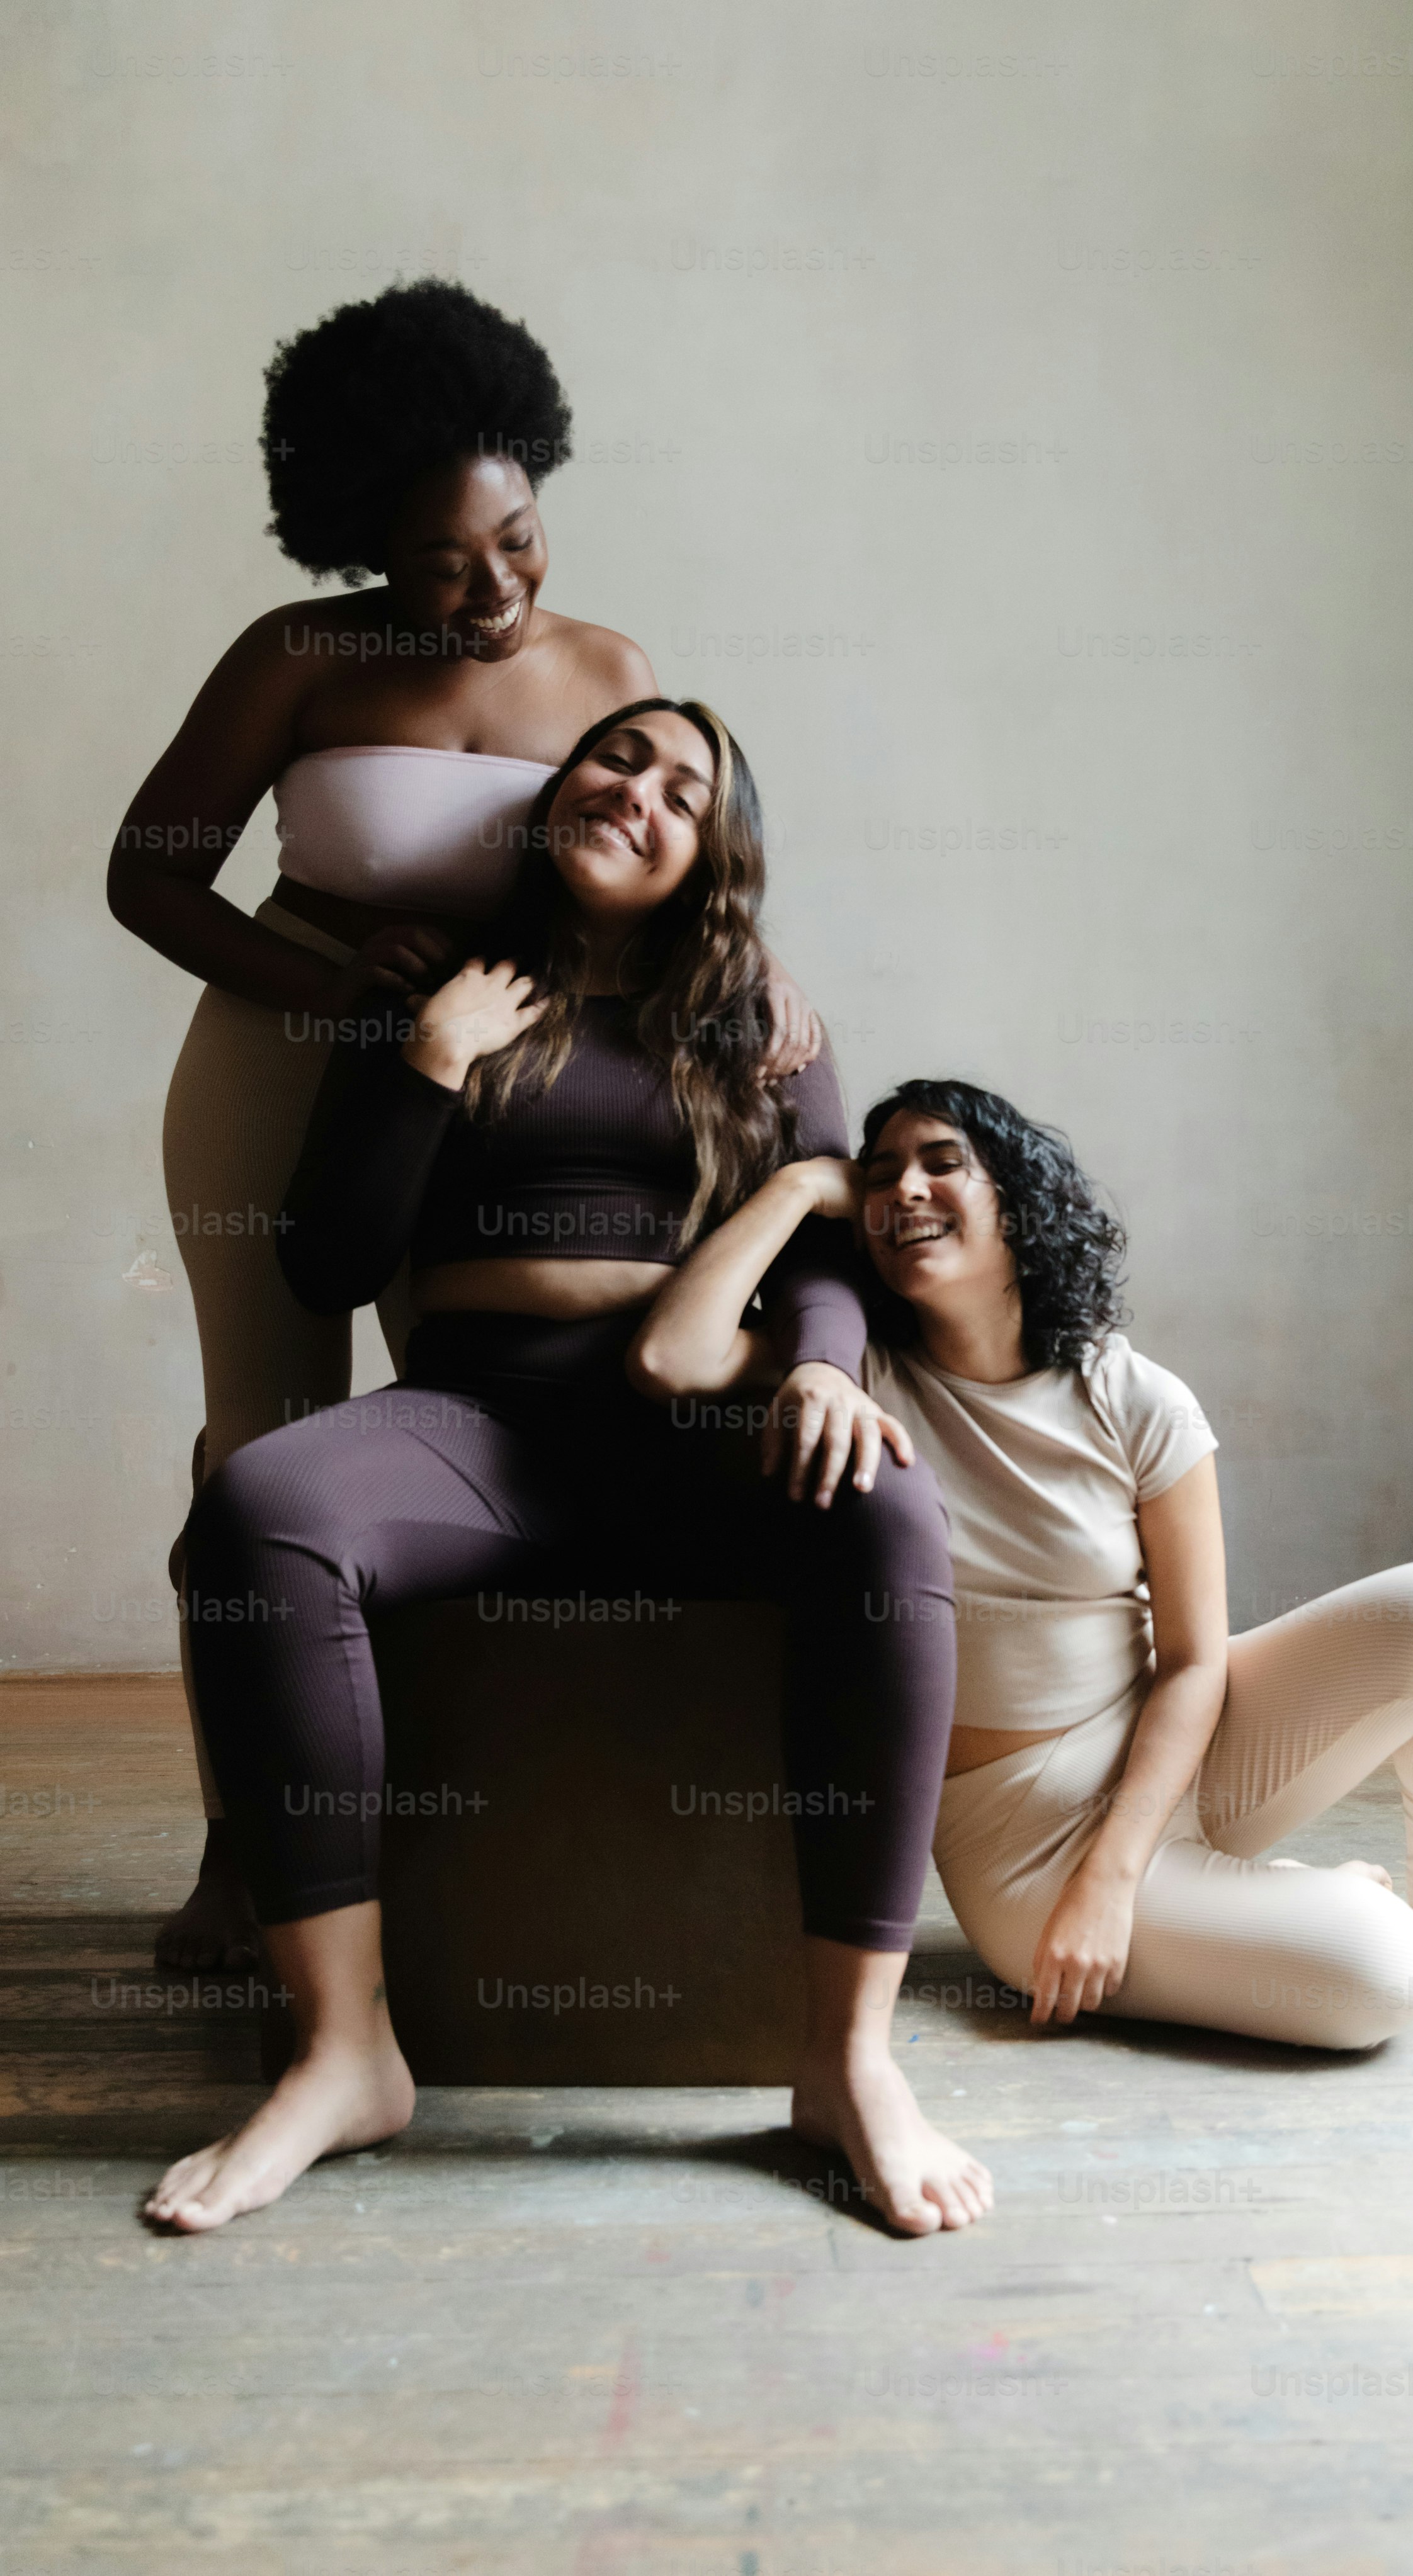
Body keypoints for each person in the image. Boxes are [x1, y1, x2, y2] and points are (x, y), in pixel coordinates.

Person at [144, 701, 990, 2240]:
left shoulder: (754, 1017)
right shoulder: (442, 991)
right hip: (474, 1424)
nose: (639, 795)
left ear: (711, 853)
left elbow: (822, 1238)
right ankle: (346, 2056)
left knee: (884, 1511)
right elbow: (326, 1263)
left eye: (685, 791)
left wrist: (816, 1364)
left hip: (692, 1427)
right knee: (259, 1514)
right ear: (557, 790)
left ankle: (846, 2061)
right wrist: (419, 1064)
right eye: (618, 759)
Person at [105, 280, 817, 1972]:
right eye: (443, 559)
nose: (495, 587)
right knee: (258, 1449)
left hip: (495, 1110)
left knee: (466, 1446)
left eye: (520, 536)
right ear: (364, 540)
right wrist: (345, 964)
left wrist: (769, 964)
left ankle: (451, 1836)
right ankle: (243, 1854)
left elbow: (658, 843)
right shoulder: (297, 659)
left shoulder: (608, 665)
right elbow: (149, 874)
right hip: (288, 1074)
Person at [626, 1078, 1413, 2049]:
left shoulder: (1132, 1393)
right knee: (1383, 1982)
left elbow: (1199, 1660)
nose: (903, 1190)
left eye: (942, 1163)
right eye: (880, 1174)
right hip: (1022, 1839)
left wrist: (1118, 1876)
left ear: (1017, 1208)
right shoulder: (859, 1383)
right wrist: (804, 1184)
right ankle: (1271, 1905)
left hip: (1170, 1748)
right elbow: (671, 1356)